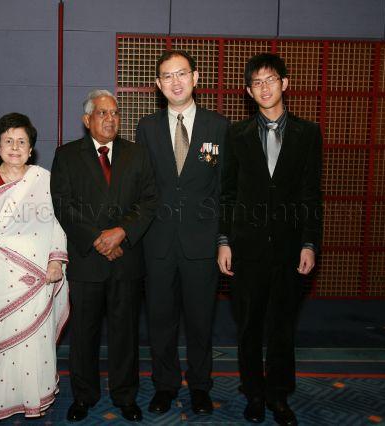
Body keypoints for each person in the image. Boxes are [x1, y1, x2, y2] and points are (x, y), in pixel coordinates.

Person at [217, 53, 323, 426]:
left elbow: (312, 194)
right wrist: (224, 240)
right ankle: (253, 394)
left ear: (285, 83)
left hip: (291, 249)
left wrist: (310, 243)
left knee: (281, 327)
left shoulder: (308, 134)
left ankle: (278, 395)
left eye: (271, 80)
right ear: (248, 91)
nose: (264, 88)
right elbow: (227, 193)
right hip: (245, 248)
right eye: (257, 83)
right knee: (248, 326)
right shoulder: (236, 135)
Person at [51, 90, 158, 422]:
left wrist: (120, 233)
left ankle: (125, 396)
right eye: (102, 113)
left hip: (126, 258)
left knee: (125, 334)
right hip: (87, 260)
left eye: (114, 113)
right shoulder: (67, 155)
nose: (110, 119)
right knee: (84, 334)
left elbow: (149, 200)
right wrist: (97, 238)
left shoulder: (138, 154)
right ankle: (83, 396)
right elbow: (62, 204)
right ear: (87, 120)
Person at [136, 50, 228, 415]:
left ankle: (201, 387)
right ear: (158, 85)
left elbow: (225, 190)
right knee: (160, 321)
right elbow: (141, 188)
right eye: (167, 76)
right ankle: (165, 385)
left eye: (182, 74)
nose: (175, 82)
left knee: (201, 322)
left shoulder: (218, 127)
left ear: (195, 77)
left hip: (202, 245)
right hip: (157, 244)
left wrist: (224, 240)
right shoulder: (146, 127)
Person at [0, 112, 69, 423]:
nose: (15, 147)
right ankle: (1, 401)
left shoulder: (45, 180)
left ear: (31, 148)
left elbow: (59, 222)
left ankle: (36, 397)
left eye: (22, 141)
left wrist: (55, 259)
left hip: (37, 277)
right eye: (8, 141)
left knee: (34, 338)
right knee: (0, 341)